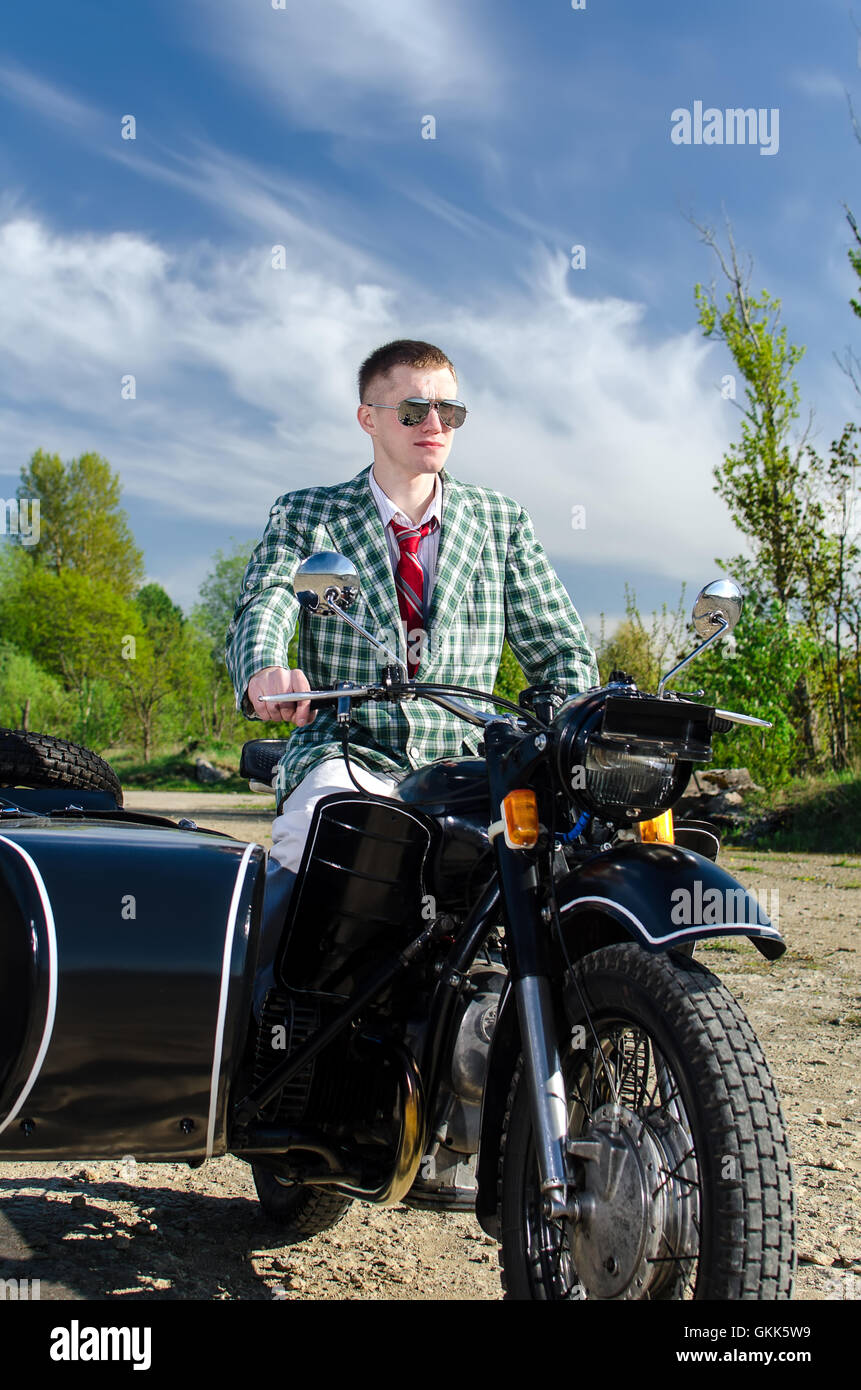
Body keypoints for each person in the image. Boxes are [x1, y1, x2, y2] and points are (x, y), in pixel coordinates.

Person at [226, 338, 599, 896]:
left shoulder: (501, 520)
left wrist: (578, 727)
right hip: (346, 749)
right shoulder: (309, 514)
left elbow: (560, 651)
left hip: (473, 762)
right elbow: (269, 596)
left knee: (556, 870)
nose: (435, 424)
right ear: (367, 419)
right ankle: (273, 984)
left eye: (449, 411)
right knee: (318, 856)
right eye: (412, 410)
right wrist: (265, 667)